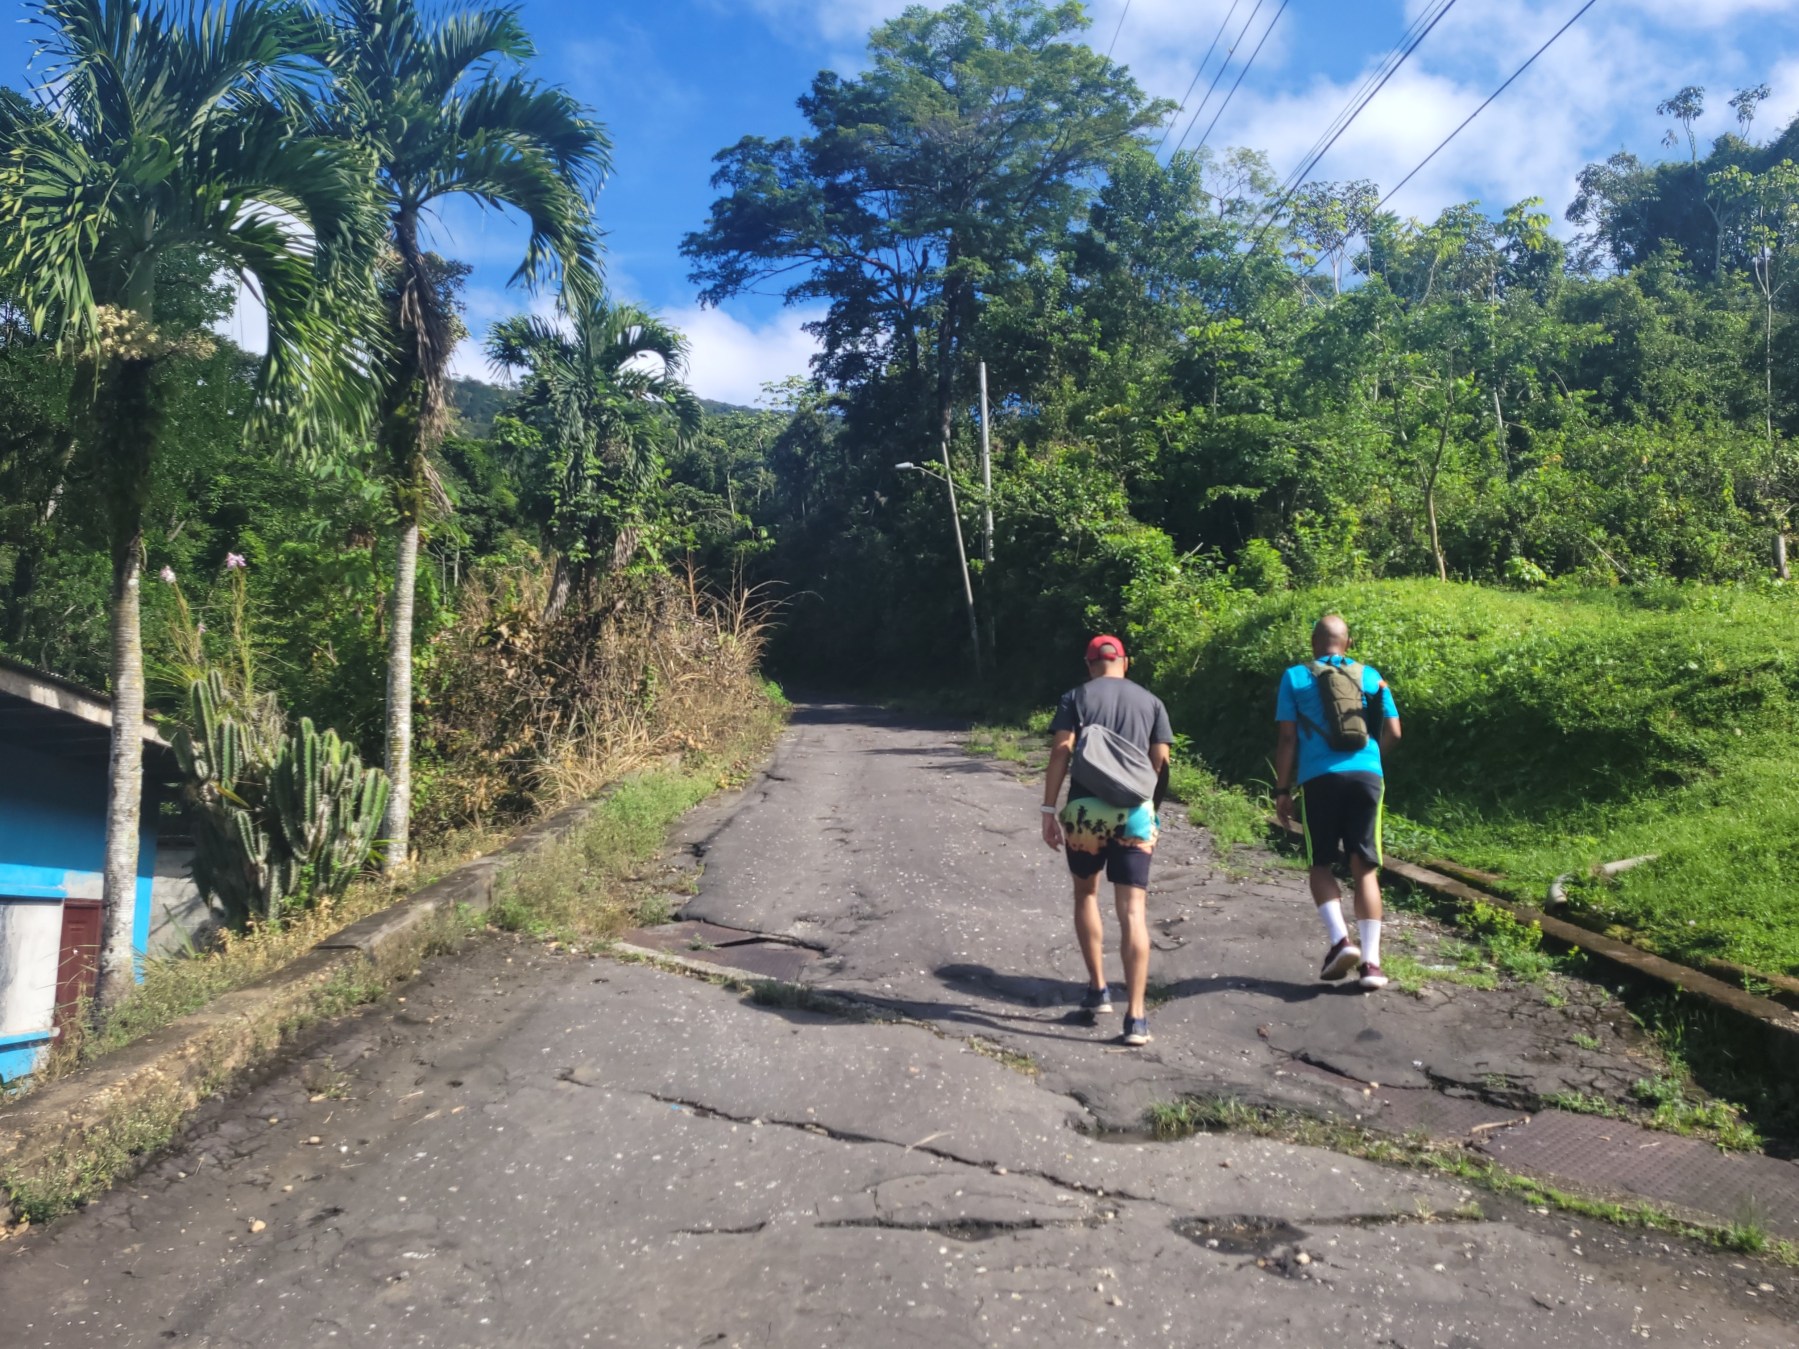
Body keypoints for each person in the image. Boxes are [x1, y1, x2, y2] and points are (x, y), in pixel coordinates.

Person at [1041, 635, 1173, 1046]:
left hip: (1085, 810)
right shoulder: (1151, 701)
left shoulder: (1075, 696)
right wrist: (1148, 804)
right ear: (1125, 662)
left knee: (1085, 894)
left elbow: (1062, 749)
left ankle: (1098, 990)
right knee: (1133, 910)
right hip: (1135, 811)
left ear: (1089, 663)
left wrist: (1048, 810)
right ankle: (1136, 1018)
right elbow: (1161, 759)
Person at [1273, 614, 1402, 991]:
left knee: (1321, 862)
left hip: (1319, 779)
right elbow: (1394, 731)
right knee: (1364, 868)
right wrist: (1371, 762)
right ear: (1348, 643)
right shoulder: (1370, 675)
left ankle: (1340, 942)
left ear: (1314, 643)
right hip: (1367, 776)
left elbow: (1287, 739)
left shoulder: (1296, 677)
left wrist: (1283, 790)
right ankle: (1373, 965)